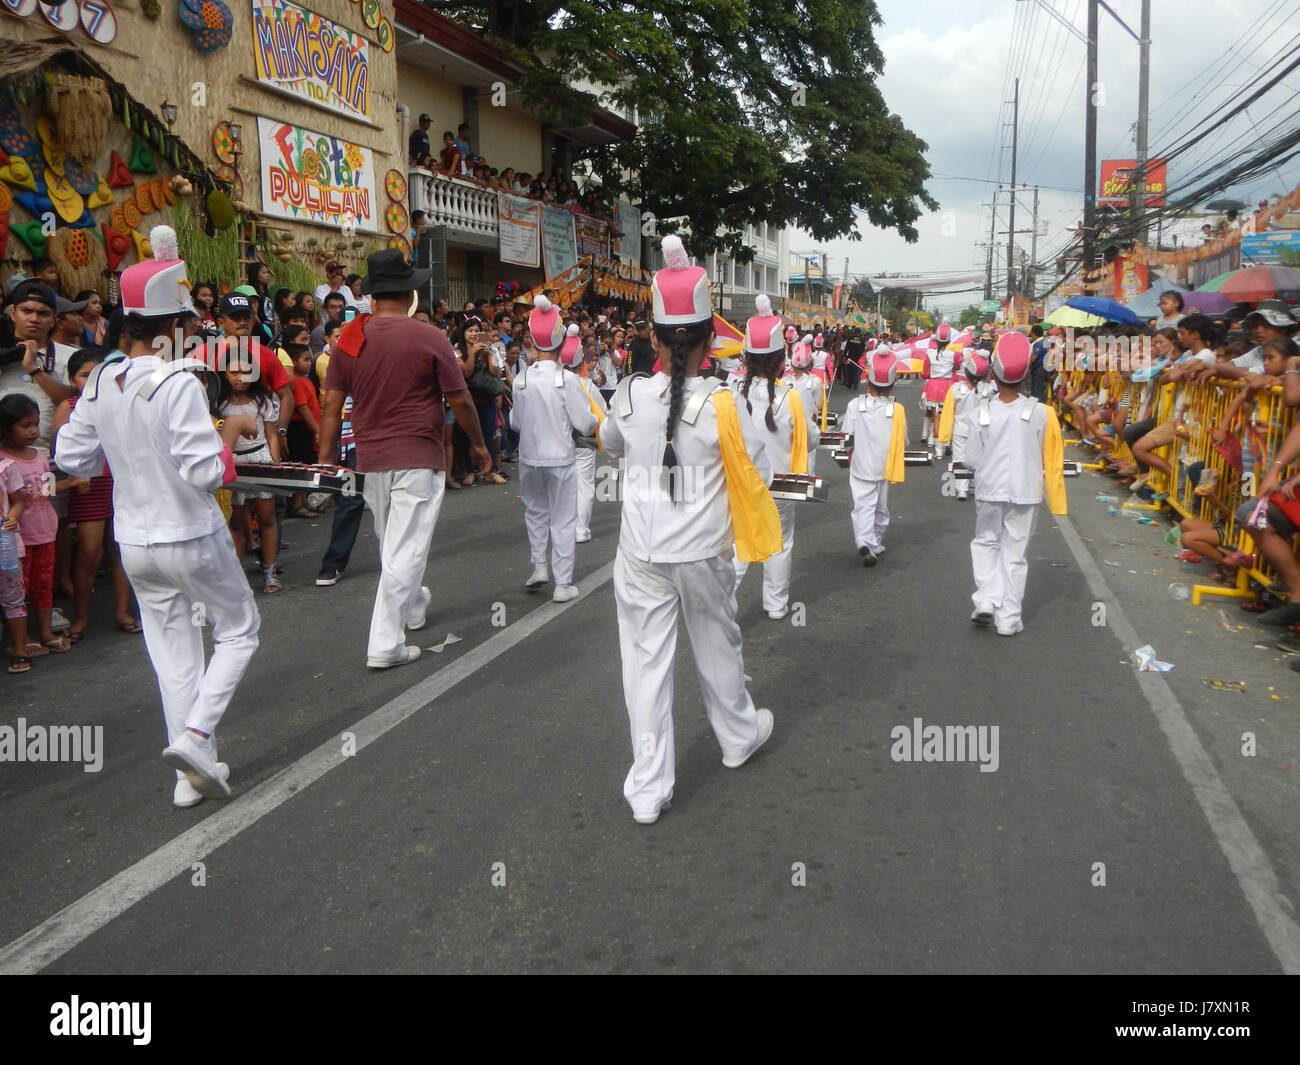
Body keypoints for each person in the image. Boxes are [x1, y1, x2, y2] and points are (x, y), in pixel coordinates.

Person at [55, 227, 261, 805]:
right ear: (173, 325)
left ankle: (188, 776)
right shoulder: (178, 382)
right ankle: (196, 737)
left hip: (135, 543)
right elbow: (205, 472)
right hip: (190, 533)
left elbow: (71, 456)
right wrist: (231, 442)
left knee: (173, 654)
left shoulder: (98, 380)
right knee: (239, 629)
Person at [596, 234, 781, 825]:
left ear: (652, 337)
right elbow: (760, 470)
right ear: (709, 340)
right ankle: (736, 736)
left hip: (640, 556)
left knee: (643, 669)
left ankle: (649, 789)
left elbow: (608, 442)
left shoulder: (626, 394)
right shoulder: (726, 404)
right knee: (717, 645)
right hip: (702, 553)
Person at [318, 249, 491, 669]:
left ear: (372, 293)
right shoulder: (427, 336)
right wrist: (480, 445)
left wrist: (324, 459)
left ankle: (413, 604)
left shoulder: (350, 339)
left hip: (370, 457)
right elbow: (461, 400)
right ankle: (384, 644)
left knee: (392, 544)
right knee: (405, 549)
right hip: (417, 454)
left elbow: (331, 404)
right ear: (410, 290)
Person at [964, 332, 1067, 637]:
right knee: (1015, 552)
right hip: (1027, 491)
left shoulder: (979, 413)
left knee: (985, 543)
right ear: (1025, 377)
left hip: (988, 488)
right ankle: (1008, 617)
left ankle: (985, 599)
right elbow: (1050, 457)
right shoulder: (1042, 413)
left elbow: (971, 459)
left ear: (993, 375)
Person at [732, 295, 818, 618]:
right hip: (780, 484)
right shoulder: (792, 397)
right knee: (781, 542)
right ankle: (777, 605)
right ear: (782, 359)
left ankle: (722, 599)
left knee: (740, 541)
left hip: (743, 482)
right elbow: (811, 441)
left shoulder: (731, 390)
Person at [511, 303, 598, 600]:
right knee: (562, 519)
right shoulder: (569, 380)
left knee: (535, 512)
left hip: (528, 457)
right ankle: (562, 583)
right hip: (560, 458)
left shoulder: (521, 379)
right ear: (561, 342)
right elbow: (585, 424)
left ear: (532, 342)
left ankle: (539, 566)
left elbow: (516, 423)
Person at [51, 348, 139, 639]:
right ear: (72, 378)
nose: (92, 380)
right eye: (85, 375)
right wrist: (76, 476)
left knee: (121, 552)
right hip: (86, 484)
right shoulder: (70, 405)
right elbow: (60, 451)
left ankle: (122, 612)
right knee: (89, 555)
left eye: (97, 374)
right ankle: (80, 618)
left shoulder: (121, 403)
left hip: (119, 482)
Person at [0, 394, 75, 658]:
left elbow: (46, 489)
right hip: (17, 540)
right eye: (25, 425)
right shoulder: (3, 461)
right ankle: (22, 638)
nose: (33, 430)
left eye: (36, 423)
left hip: (46, 531)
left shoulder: (39, 456)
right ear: (5, 429)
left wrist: (68, 484)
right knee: (19, 590)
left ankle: (45, 632)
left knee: (43, 586)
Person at [213, 340, 283, 592]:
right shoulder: (218, 404)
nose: (240, 378)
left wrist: (275, 465)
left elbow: (272, 433)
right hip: (235, 466)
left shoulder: (262, 399)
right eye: (234, 372)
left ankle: (270, 570)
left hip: (261, 459)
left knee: (267, 518)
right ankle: (238, 575)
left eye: (245, 372)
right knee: (239, 522)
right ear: (224, 374)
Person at [840, 351, 907, 566]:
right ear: (892, 383)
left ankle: (863, 539)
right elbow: (903, 442)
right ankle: (873, 541)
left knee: (862, 505)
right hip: (884, 466)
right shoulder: (897, 409)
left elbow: (846, 438)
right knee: (881, 507)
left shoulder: (854, 405)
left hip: (860, 464)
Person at [937, 350, 993, 501]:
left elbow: (948, 412)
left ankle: (962, 489)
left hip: (960, 430)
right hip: (981, 430)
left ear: (966, 372)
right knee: (979, 458)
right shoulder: (988, 390)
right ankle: (975, 485)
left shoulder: (955, 389)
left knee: (960, 459)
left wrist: (944, 435)